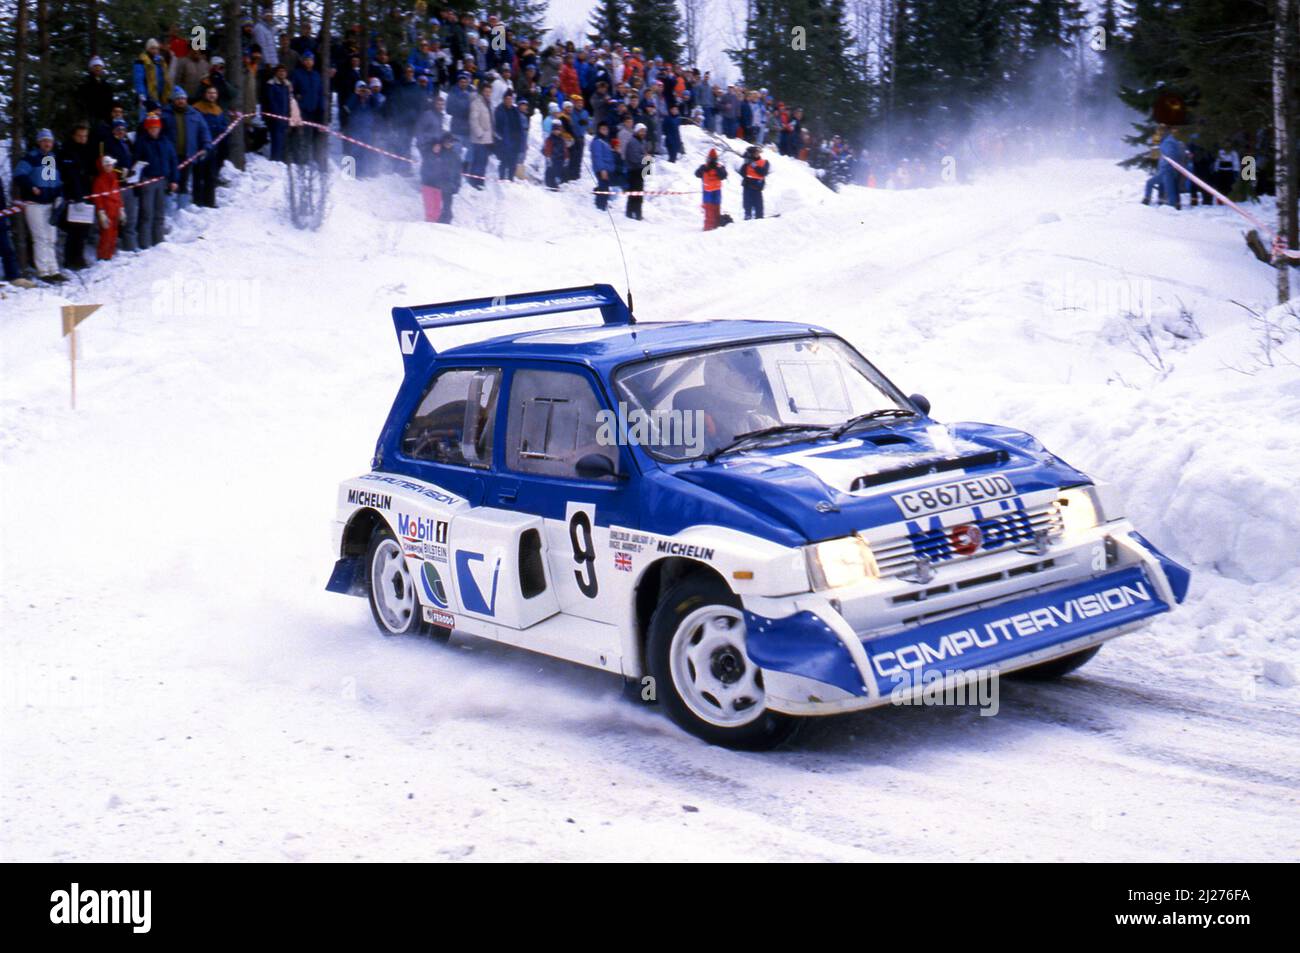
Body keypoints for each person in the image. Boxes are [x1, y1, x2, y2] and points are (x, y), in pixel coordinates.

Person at [13, 129, 66, 282]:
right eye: (43, 141)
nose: (47, 143)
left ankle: (54, 270)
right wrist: (31, 187)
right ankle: (43, 272)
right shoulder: (31, 157)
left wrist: (59, 195)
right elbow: (19, 174)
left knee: (51, 238)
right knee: (40, 238)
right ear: (38, 142)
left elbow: (56, 181)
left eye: (49, 141)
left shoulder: (52, 159)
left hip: (50, 203)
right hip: (34, 204)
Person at [132, 114, 179, 249]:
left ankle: (159, 242)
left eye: (156, 127)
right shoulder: (142, 142)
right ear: (147, 129)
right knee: (146, 213)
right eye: (151, 128)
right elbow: (136, 162)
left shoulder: (166, 141)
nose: (154, 130)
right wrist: (136, 179)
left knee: (159, 213)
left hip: (162, 181)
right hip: (147, 181)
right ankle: (144, 244)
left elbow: (173, 161)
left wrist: (174, 180)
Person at [161, 89, 211, 208]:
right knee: (169, 183)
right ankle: (167, 213)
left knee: (184, 183)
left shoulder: (195, 114)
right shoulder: (165, 114)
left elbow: (204, 131)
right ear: (173, 100)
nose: (181, 101)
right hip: (169, 156)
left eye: (183, 98)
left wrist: (206, 145)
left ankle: (182, 210)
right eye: (178, 99)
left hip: (188, 155)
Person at [59, 123, 99, 270]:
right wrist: (74, 195)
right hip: (72, 196)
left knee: (84, 229)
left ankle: (79, 257)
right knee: (73, 229)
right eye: (80, 136)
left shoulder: (88, 150)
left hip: (87, 194)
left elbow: (92, 171)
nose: (83, 138)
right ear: (73, 136)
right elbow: (68, 175)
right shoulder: (66, 151)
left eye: (85, 136)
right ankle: (70, 259)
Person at [193, 84, 228, 207]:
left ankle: (210, 201)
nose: (212, 95)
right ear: (204, 94)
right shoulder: (197, 109)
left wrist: (224, 130)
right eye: (209, 93)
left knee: (211, 174)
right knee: (199, 174)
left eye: (214, 93)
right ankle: (197, 201)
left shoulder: (218, 109)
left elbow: (223, 125)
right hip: (201, 147)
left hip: (214, 147)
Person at [91, 155, 125, 260]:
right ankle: (102, 257)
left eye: (111, 165)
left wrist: (121, 209)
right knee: (106, 235)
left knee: (114, 234)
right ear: (103, 167)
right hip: (106, 211)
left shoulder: (114, 177)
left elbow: (118, 194)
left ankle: (110, 255)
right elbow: (97, 198)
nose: (111, 167)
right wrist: (101, 213)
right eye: (108, 165)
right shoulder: (99, 181)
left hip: (115, 209)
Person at [134, 39, 173, 120]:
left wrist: (167, 93)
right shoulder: (140, 61)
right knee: (146, 119)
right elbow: (139, 80)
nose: (155, 51)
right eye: (152, 48)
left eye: (157, 48)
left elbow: (165, 78)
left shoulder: (160, 61)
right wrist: (142, 95)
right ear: (147, 49)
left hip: (161, 97)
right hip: (148, 97)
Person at [467, 82, 495, 188]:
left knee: (483, 161)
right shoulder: (476, 103)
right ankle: (474, 181)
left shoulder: (489, 103)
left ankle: (480, 180)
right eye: (486, 91)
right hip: (479, 138)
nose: (488, 93)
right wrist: (479, 134)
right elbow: (473, 120)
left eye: (489, 92)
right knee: (478, 161)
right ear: (482, 91)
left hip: (487, 139)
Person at [263, 63, 293, 161]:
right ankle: (275, 160)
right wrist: (274, 116)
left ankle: (283, 160)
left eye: (284, 71)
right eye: (280, 71)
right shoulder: (271, 84)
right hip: (275, 118)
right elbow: (270, 101)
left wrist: (289, 115)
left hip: (285, 117)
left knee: (284, 141)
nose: (282, 73)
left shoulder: (287, 85)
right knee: (276, 141)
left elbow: (289, 101)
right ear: (276, 73)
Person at [431, 132, 463, 223]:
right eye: (447, 142)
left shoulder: (455, 156)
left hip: (449, 185)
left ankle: (446, 220)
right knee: (436, 205)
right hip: (437, 185)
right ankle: (437, 220)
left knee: (447, 205)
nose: (449, 144)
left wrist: (457, 185)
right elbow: (431, 166)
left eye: (451, 142)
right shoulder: (438, 153)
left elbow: (458, 172)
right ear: (443, 142)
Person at [76, 56, 116, 126]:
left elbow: (110, 102)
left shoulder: (107, 86)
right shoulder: (85, 84)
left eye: (99, 67)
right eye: (95, 67)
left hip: (105, 118)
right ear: (91, 68)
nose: (98, 69)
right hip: (91, 117)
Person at [695, 147, 727, 230]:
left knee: (716, 210)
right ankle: (708, 228)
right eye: (711, 159)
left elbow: (724, 176)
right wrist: (703, 169)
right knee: (709, 211)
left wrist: (716, 169)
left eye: (713, 159)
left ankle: (715, 227)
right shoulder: (704, 167)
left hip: (716, 192)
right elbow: (697, 174)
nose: (712, 161)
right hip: (708, 193)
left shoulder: (719, 167)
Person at [494, 90, 523, 180]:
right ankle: (502, 179)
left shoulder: (515, 110)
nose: (509, 101)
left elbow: (519, 127)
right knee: (503, 162)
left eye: (510, 99)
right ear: (504, 99)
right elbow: (496, 126)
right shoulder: (499, 110)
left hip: (514, 141)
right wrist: (499, 138)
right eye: (507, 99)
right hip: (503, 141)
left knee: (513, 163)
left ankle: (511, 179)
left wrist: (520, 140)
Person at [590, 120, 616, 211]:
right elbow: (597, 156)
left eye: (606, 129)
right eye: (603, 129)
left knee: (604, 187)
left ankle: (602, 205)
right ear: (599, 130)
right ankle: (600, 207)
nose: (605, 131)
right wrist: (602, 169)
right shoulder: (597, 141)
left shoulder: (605, 141)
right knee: (603, 188)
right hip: (602, 169)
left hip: (607, 168)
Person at [624, 122, 647, 220]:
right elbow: (635, 158)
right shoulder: (633, 142)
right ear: (636, 131)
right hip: (634, 171)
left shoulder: (640, 141)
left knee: (637, 194)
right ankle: (634, 214)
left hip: (639, 170)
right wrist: (645, 157)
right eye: (641, 131)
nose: (643, 133)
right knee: (635, 194)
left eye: (644, 131)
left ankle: (634, 213)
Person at [740, 145, 769, 220]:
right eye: (755, 153)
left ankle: (759, 219)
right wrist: (746, 163)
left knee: (759, 207)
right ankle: (747, 218)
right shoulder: (747, 163)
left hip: (757, 188)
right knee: (747, 206)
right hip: (747, 187)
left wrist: (753, 165)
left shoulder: (764, 162)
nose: (757, 154)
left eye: (758, 153)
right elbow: (742, 173)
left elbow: (763, 172)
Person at [0, 177, 20, 284]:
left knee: (7, 249)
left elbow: (1, 197)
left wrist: (3, 214)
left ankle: (14, 277)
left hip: (1, 218)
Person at [542, 122, 568, 190]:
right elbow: (548, 149)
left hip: (560, 158)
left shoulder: (562, 140)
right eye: (555, 130)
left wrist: (566, 158)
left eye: (558, 130)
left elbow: (565, 149)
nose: (557, 131)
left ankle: (555, 184)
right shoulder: (550, 139)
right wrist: (548, 157)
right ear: (552, 130)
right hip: (552, 158)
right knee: (550, 171)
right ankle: (549, 183)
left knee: (558, 172)